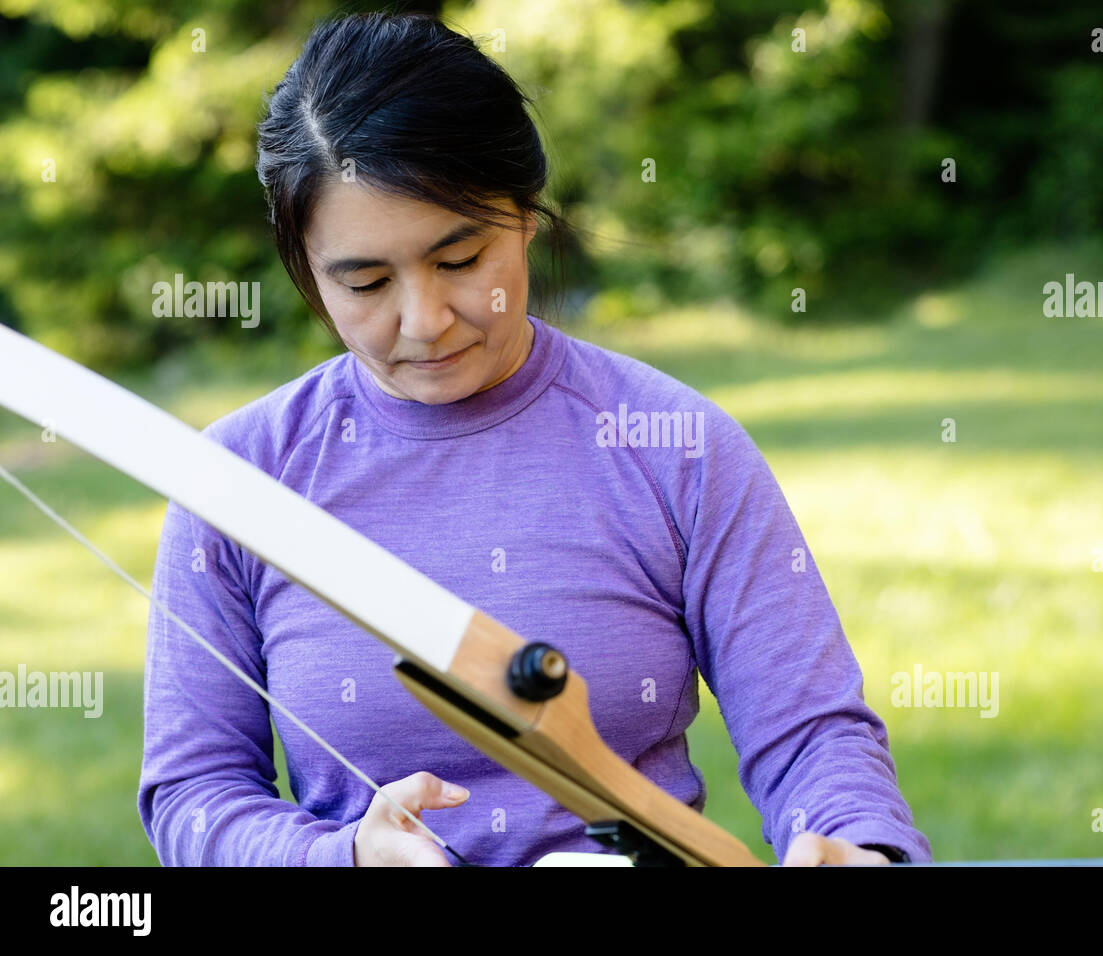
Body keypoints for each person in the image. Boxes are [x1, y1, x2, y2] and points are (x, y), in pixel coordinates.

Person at [137, 11, 932, 868]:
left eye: (459, 261)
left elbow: (811, 735)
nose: (425, 320)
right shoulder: (238, 478)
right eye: (365, 282)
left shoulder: (676, 447)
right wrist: (345, 858)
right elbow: (194, 795)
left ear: (526, 216)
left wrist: (862, 850)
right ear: (305, 269)